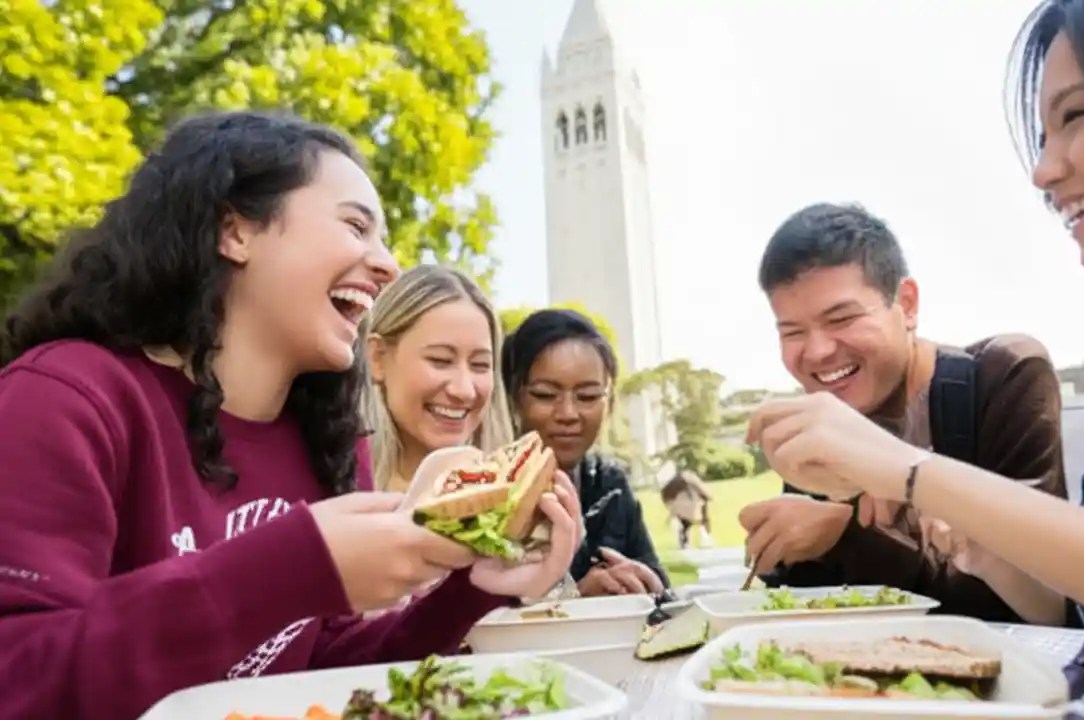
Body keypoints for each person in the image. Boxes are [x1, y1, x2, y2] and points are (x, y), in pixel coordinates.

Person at [749, 0, 1084, 714]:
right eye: (1041, 132)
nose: (1043, 170)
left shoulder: (1001, 375)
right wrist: (983, 538)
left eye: (1075, 116)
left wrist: (913, 476)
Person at [0, 111, 581, 720]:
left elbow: (315, 671)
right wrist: (288, 567)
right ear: (236, 230)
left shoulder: (327, 441)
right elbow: (18, 675)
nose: (387, 265)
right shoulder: (64, 399)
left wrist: (468, 593)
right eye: (357, 225)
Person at [739, 201, 1067, 625]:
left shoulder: (1004, 378)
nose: (818, 351)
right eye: (793, 332)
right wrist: (785, 550)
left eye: (842, 318)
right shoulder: (816, 423)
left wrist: (848, 537)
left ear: (907, 305)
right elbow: (817, 610)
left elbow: (1035, 598)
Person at [502, 308, 668, 596]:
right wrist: (576, 598)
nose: (568, 413)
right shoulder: (487, 497)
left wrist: (649, 585)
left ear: (610, 401)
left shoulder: (610, 486)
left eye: (588, 397)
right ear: (511, 397)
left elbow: (663, 601)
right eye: (545, 394)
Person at [363, 264, 514, 492]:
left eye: (480, 365)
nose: (464, 390)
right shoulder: (330, 493)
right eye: (440, 360)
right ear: (377, 358)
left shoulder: (515, 502)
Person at [660, 467, 713, 550]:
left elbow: (668, 501)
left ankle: (695, 540)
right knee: (694, 522)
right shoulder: (689, 486)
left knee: (689, 523)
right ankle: (700, 539)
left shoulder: (673, 489)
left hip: (686, 511)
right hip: (692, 510)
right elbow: (708, 496)